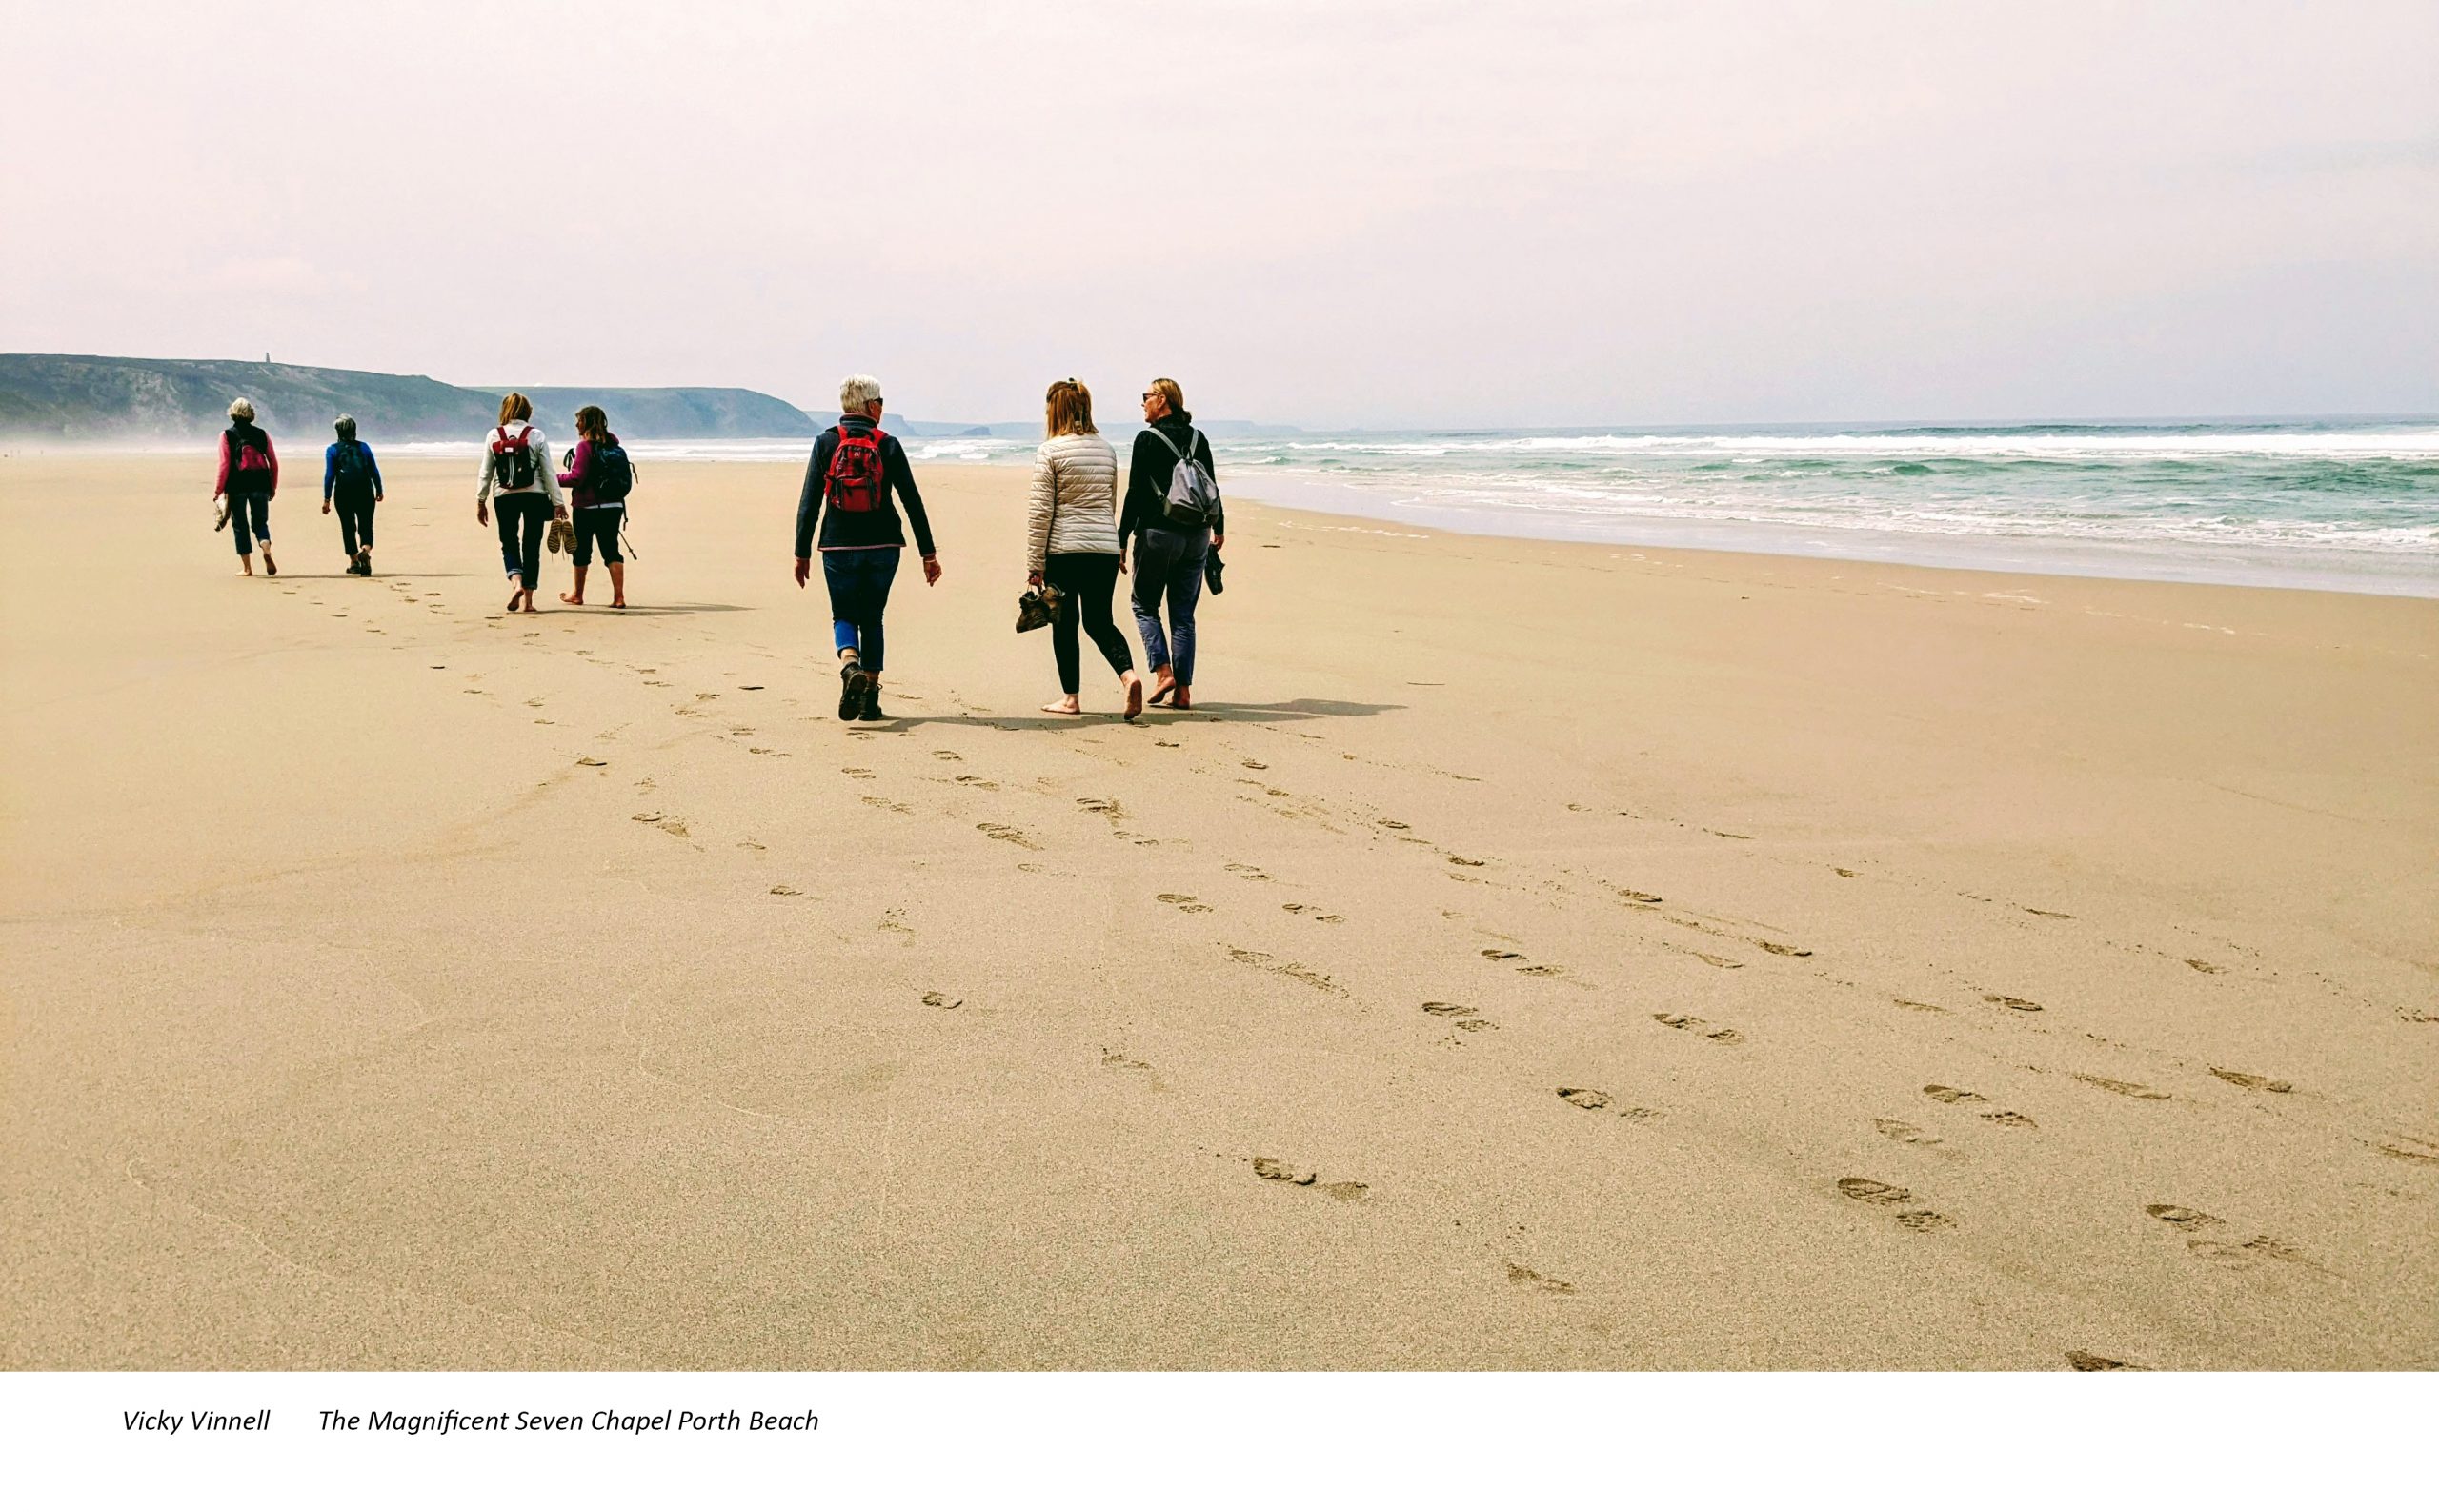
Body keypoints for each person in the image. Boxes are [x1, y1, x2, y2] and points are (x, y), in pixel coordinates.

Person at [792, 374, 942, 722]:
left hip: (837, 545)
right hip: (884, 545)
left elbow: (809, 502)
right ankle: (871, 699)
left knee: (844, 614)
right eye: (881, 402)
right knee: (873, 616)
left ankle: (849, 667)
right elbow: (912, 501)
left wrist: (801, 553)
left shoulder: (826, 443)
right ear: (872, 406)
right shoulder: (887, 444)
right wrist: (928, 554)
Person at [1027, 379, 1142, 718]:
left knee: (1064, 623)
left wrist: (1035, 561)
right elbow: (1110, 503)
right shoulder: (1106, 450)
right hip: (1103, 549)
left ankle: (1071, 699)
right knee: (1099, 620)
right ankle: (1129, 676)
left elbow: (1040, 511)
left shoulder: (1050, 450)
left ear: (1054, 410)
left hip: (1065, 549)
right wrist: (1117, 547)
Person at [1119, 377, 1225, 709]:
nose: (1143, 403)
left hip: (1157, 534)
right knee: (1183, 615)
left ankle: (1163, 671)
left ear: (1162, 400)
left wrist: (1120, 538)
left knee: (1144, 605)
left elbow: (1136, 492)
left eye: (1146, 397)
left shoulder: (1147, 439)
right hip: (1197, 534)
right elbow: (1211, 485)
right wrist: (1219, 527)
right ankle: (1183, 692)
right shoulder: (1198, 437)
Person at [474, 393, 567, 613]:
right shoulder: (536, 436)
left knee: (509, 541)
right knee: (531, 545)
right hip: (535, 495)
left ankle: (516, 581)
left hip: (504, 495)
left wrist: (480, 500)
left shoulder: (493, 436)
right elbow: (548, 471)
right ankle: (528, 601)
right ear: (528, 411)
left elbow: (486, 471)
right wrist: (558, 502)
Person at [557, 405, 631, 608]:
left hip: (587, 507)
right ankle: (619, 597)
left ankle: (577, 595)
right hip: (614, 505)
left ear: (586, 423)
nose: (576, 424)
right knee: (611, 549)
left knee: (581, 551)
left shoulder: (585, 447)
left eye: (579, 420)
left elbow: (576, 478)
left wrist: (552, 479)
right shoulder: (615, 448)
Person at [212, 397, 280, 576]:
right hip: (260, 483)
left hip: (237, 486)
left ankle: (247, 568)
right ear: (251, 414)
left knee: (240, 525)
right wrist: (272, 485)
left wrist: (218, 490)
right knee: (260, 522)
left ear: (232, 413)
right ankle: (265, 548)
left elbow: (225, 464)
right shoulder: (261, 434)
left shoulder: (227, 435)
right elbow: (273, 462)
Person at [321, 414, 385, 575]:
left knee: (348, 527)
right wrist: (379, 489)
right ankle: (365, 549)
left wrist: (326, 498)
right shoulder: (364, 447)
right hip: (365, 491)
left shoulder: (332, 450)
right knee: (366, 524)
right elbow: (373, 470)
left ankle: (354, 562)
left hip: (343, 493)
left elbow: (330, 476)